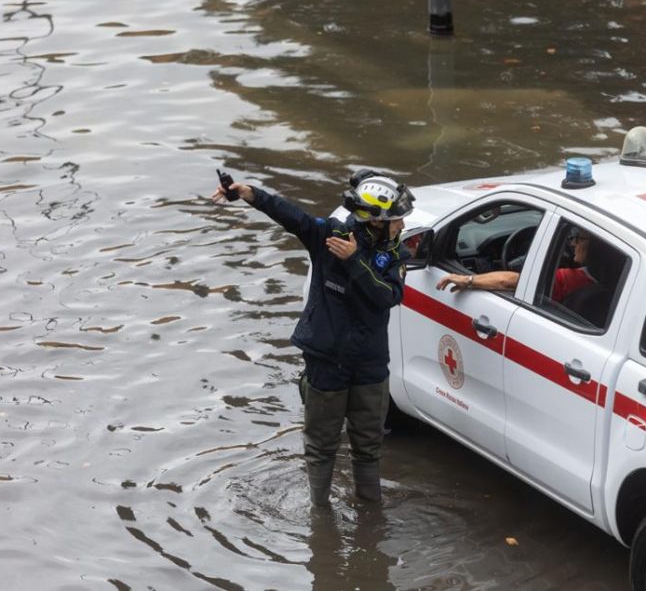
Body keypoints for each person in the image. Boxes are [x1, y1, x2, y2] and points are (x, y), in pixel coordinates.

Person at [210, 169, 414, 507]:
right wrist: (249, 193)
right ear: (375, 221)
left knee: (369, 445)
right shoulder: (328, 236)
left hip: (370, 363)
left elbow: (387, 297)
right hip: (326, 359)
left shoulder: (394, 255)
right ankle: (320, 519)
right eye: (397, 220)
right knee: (321, 445)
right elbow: (292, 216)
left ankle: (370, 514)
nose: (402, 226)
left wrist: (354, 262)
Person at [436, 228, 593, 301]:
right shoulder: (611, 277)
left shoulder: (572, 279)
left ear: (596, 246)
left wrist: (467, 280)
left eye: (579, 238)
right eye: (572, 237)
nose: (572, 243)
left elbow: (510, 281)